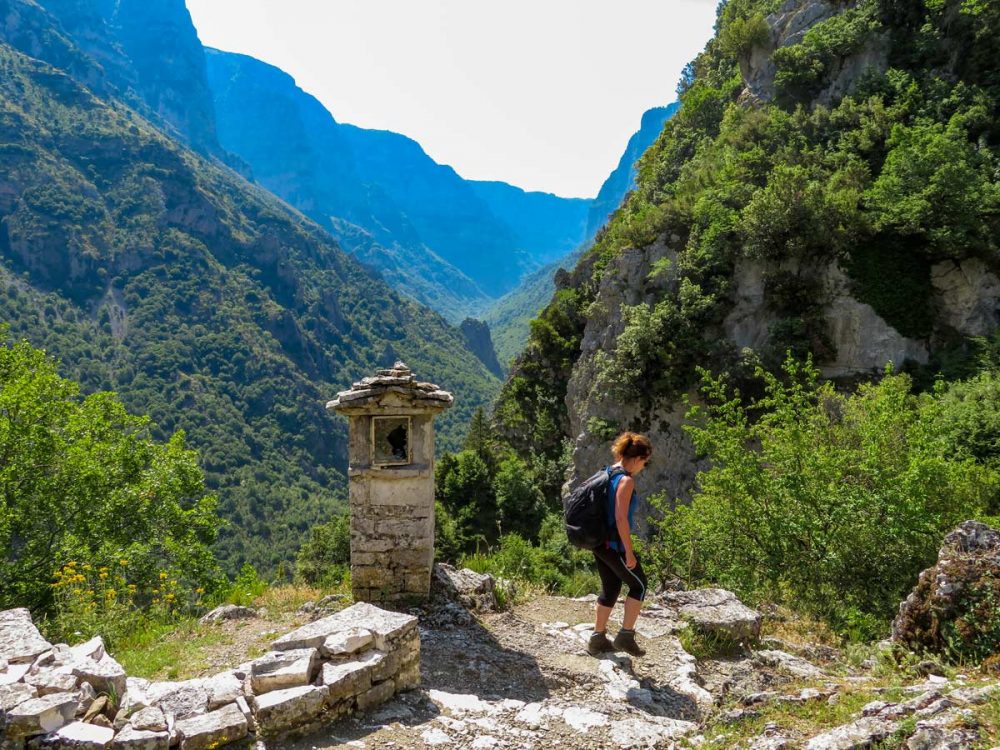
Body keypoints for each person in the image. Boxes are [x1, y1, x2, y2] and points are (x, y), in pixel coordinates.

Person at [588, 431, 652, 658]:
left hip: (598, 541)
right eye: (644, 462)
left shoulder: (607, 472)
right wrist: (629, 552)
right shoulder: (625, 480)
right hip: (614, 545)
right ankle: (626, 635)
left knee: (611, 587)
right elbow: (621, 518)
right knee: (639, 586)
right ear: (637, 458)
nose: (643, 466)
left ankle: (597, 639)